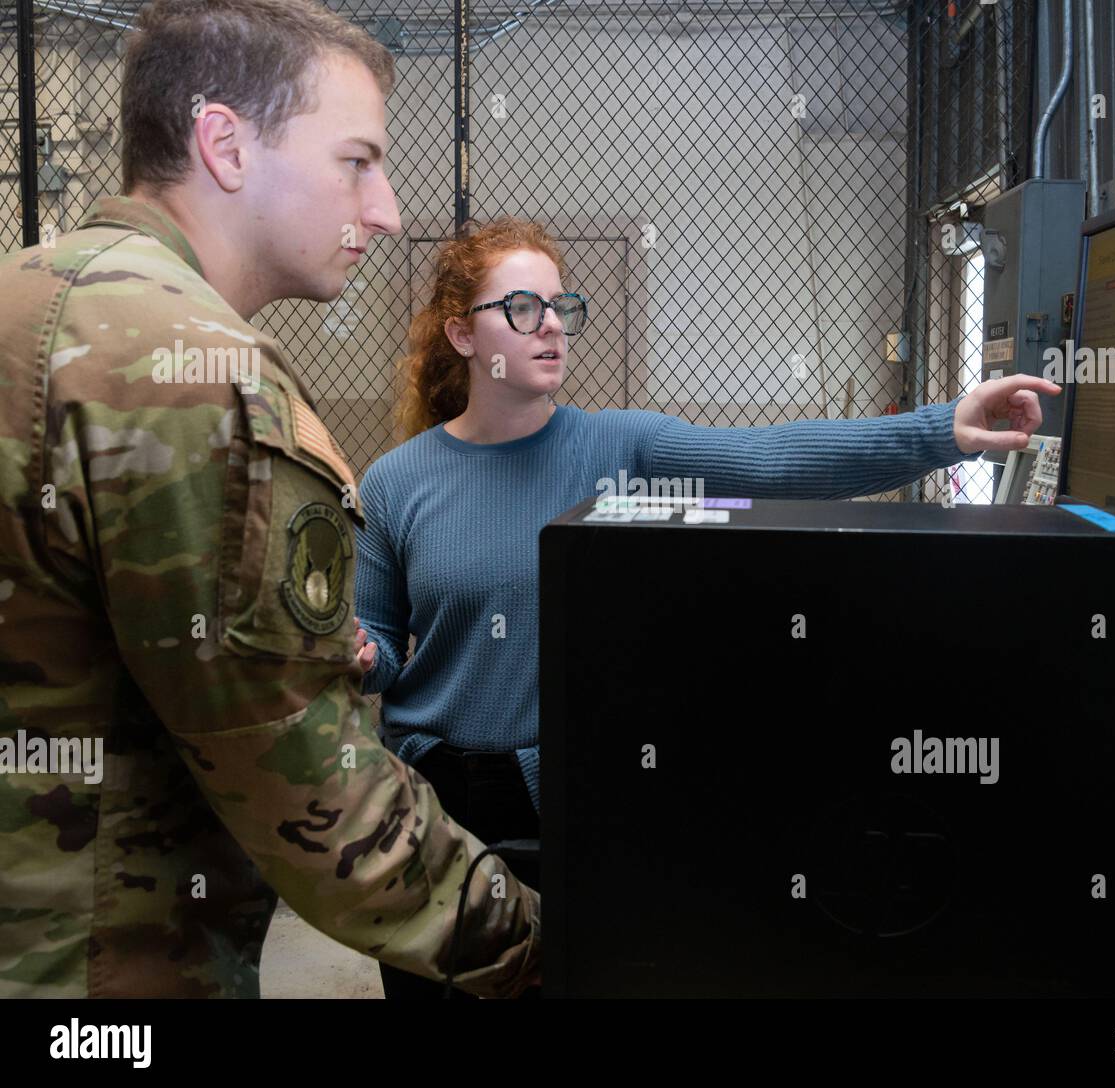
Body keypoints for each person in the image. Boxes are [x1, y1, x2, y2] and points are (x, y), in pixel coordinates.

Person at [353, 215, 1059, 997]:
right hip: (431, 797)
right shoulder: (394, 482)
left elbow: (777, 459)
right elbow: (381, 646)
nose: (552, 325)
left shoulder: (619, 448)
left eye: (560, 306)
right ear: (460, 333)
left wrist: (943, 429)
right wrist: (355, 652)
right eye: (522, 308)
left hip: (563, 784)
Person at [0, 0, 538, 999]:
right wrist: (542, 947)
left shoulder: (28, 293)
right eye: (356, 161)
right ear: (224, 144)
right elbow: (310, 793)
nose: (385, 209)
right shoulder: (193, 366)